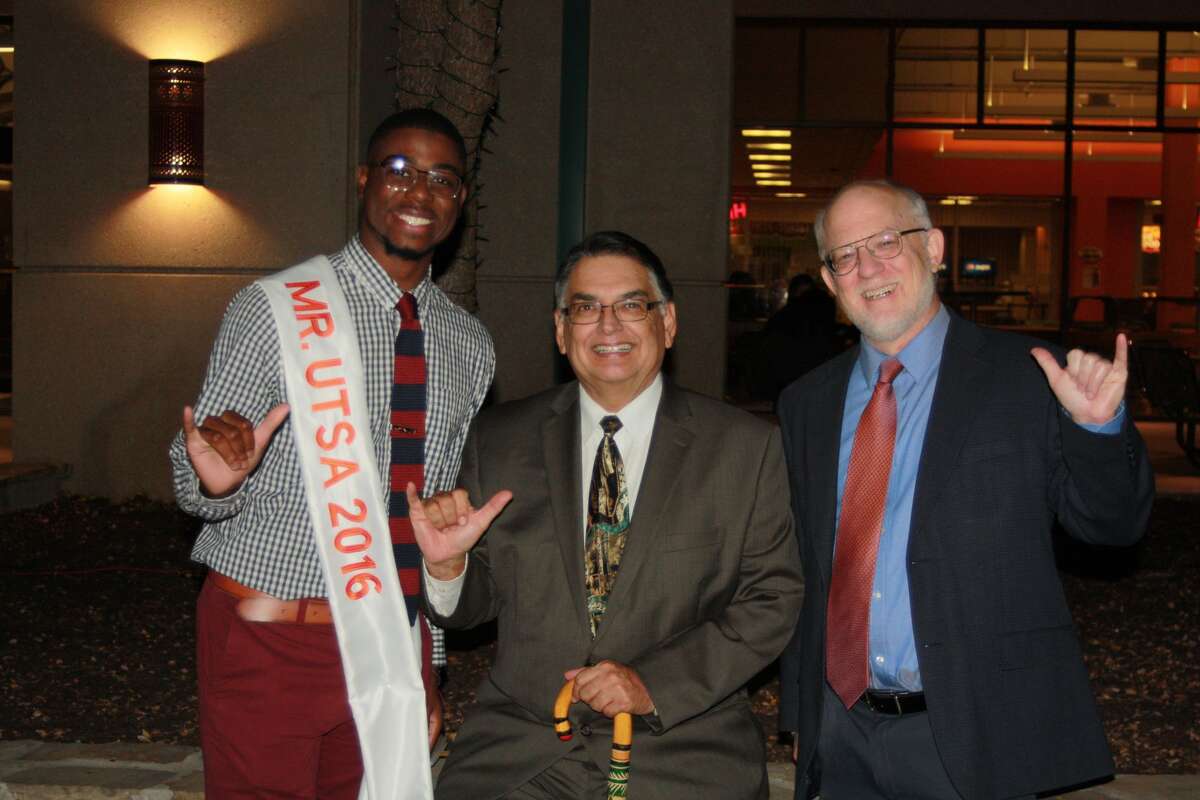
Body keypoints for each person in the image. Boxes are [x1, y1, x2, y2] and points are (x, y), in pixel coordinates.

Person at [777, 180, 1154, 800]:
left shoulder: (1030, 377)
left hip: (976, 736)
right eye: (844, 256)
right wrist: (802, 714)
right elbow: (805, 568)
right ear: (829, 281)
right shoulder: (806, 404)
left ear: (934, 247)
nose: (867, 267)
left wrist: (1097, 431)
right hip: (839, 736)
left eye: (885, 242)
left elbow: (1112, 528)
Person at [169, 108, 494, 798]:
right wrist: (219, 480)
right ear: (363, 180)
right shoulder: (277, 307)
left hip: (384, 645)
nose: (419, 192)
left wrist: (426, 665)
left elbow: (429, 527)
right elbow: (198, 478)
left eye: (442, 178)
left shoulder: (470, 345)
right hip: (269, 639)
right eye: (399, 170)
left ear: (459, 201)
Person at [411, 230, 804, 799]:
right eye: (586, 308)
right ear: (560, 329)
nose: (609, 326)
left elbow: (773, 600)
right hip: (524, 749)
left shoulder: (743, 448)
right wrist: (449, 571)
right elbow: (474, 609)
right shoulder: (500, 440)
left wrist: (653, 684)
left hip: (683, 751)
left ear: (667, 323)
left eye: (632, 305)